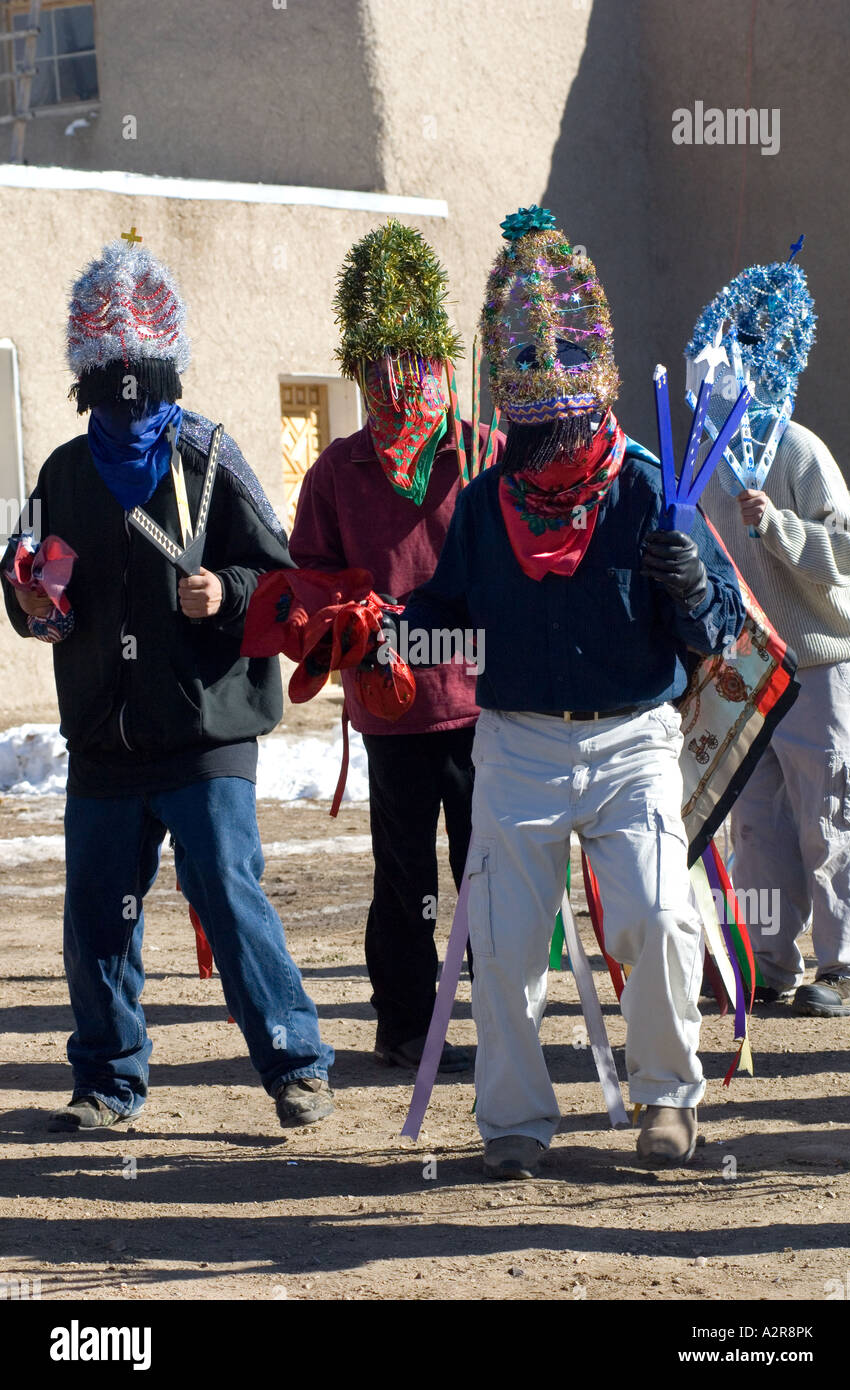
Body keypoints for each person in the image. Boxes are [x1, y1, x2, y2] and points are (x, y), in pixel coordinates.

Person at [398, 206, 746, 1176]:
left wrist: (691, 582)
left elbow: (715, 629)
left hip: (633, 736)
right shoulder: (482, 501)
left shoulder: (647, 488)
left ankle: (666, 1099)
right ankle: (513, 1120)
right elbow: (440, 608)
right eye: (528, 434)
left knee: (657, 918)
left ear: (591, 410)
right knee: (505, 942)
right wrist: (392, 632)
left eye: (556, 432)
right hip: (512, 740)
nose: (543, 452)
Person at [1, 240, 334, 1131]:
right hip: (106, 737)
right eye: (105, 389)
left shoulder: (212, 456)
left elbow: (286, 581)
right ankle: (109, 1082)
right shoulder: (66, 474)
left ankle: (296, 1063)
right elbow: (33, 581)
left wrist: (225, 591)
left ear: (163, 375)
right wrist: (32, 597)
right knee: (96, 918)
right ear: (86, 386)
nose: (122, 407)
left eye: (136, 386)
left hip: (204, 729)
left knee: (226, 890)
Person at [289, 220, 504, 1071]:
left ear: (436, 363)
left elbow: (518, 562)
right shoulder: (335, 472)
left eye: (409, 365)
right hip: (391, 707)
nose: (396, 386)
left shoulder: (481, 451)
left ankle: (505, 1014)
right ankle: (408, 1021)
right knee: (404, 879)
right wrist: (354, 623)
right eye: (376, 370)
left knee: (490, 868)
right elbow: (307, 578)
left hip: (485, 701)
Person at [690, 253, 850, 1018]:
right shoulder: (703, 464)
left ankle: (847, 964)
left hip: (819, 661)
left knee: (829, 814)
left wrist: (781, 528)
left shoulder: (797, 450)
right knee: (754, 820)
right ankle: (765, 958)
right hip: (745, 670)